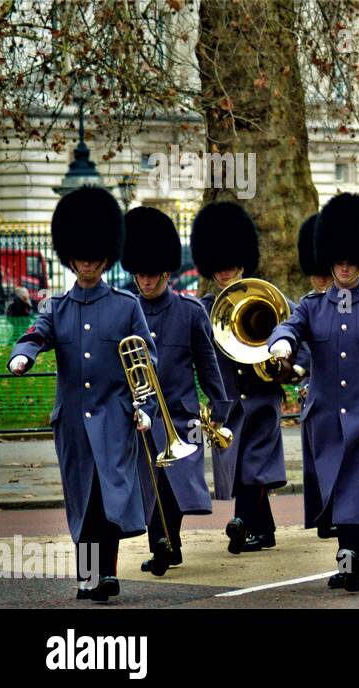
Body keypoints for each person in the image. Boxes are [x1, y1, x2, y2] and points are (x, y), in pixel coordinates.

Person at [7, 186, 155, 601]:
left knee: (109, 497)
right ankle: (87, 575)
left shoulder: (126, 306)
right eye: (81, 256)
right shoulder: (57, 307)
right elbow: (36, 335)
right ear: (70, 258)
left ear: (105, 259)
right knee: (82, 503)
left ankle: (104, 573)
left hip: (115, 417)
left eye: (94, 256)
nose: (88, 263)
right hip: (72, 422)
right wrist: (23, 356)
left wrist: (143, 407)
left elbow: (146, 361)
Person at [267, 193, 359, 592]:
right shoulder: (311, 308)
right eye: (339, 260)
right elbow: (289, 325)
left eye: (351, 260)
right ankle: (356, 559)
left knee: (356, 496)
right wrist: (282, 343)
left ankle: (348, 563)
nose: (344, 266)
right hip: (325, 418)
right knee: (339, 498)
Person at [121, 206, 232, 575]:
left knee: (173, 484)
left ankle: (167, 542)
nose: (145, 282)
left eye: (151, 275)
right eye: (139, 274)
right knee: (149, 483)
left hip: (181, 414)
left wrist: (219, 403)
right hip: (142, 414)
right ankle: (167, 545)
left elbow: (206, 362)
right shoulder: (127, 309)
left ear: (166, 272)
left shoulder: (190, 311)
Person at [191, 201, 294, 553]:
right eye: (218, 266)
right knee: (240, 468)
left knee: (254, 464)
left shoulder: (266, 297)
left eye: (230, 264)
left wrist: (283, 365)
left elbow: (298, 347)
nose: (224, 272)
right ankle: (263, 530)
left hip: (262, 398)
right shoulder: (201, 310)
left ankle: (240, 522)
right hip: (228, 404)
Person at [296, 214, 328, 534]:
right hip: (315, 392)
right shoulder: (306, 306)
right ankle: (322, 517)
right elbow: (300, 347)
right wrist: (302, 378)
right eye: (314, 272)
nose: (320, 278)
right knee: (316, 463)